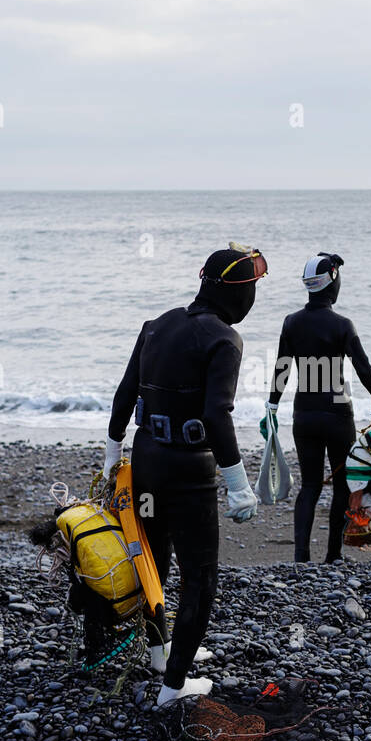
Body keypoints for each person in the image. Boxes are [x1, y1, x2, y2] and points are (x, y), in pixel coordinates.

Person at [105, 244, 264, 704]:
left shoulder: (156, 326)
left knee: (153, 558)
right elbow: (217, 414)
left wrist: (112, 453)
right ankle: (175, 685)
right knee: (200, 576)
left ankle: (160, 652)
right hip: (190, 471)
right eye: (251, 288)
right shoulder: (224, 340)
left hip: (148, 460)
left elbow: (123, 394)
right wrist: (238, 484)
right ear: (237, 292)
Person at [265, 252, 371, 564]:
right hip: (337, 414)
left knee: (309, 485)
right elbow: (363, 366)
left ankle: (301, 558)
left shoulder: (292, 323)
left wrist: (272, 408)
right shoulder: (342, 325)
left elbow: (282, 369)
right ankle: (333, 555)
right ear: (333, 281)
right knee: (343, 486)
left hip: (303, 414)